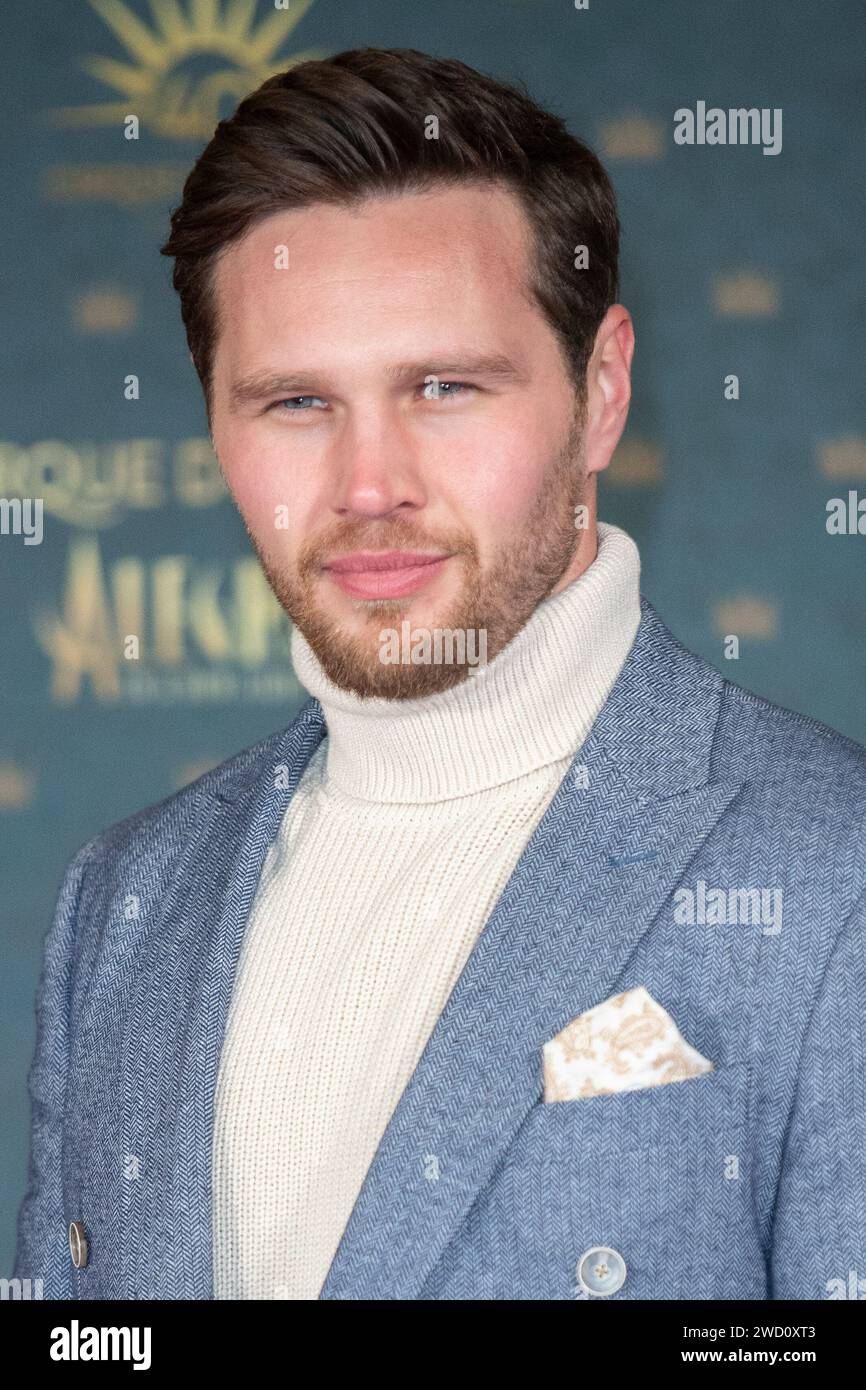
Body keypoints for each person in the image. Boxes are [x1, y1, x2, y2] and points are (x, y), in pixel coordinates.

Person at [15, 47, 866, 1301]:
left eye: (444, 386)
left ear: (601, 389)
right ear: (213, 424)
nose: (369, 486)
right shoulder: (122, 901)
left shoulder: (834, 867)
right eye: (296, 402)